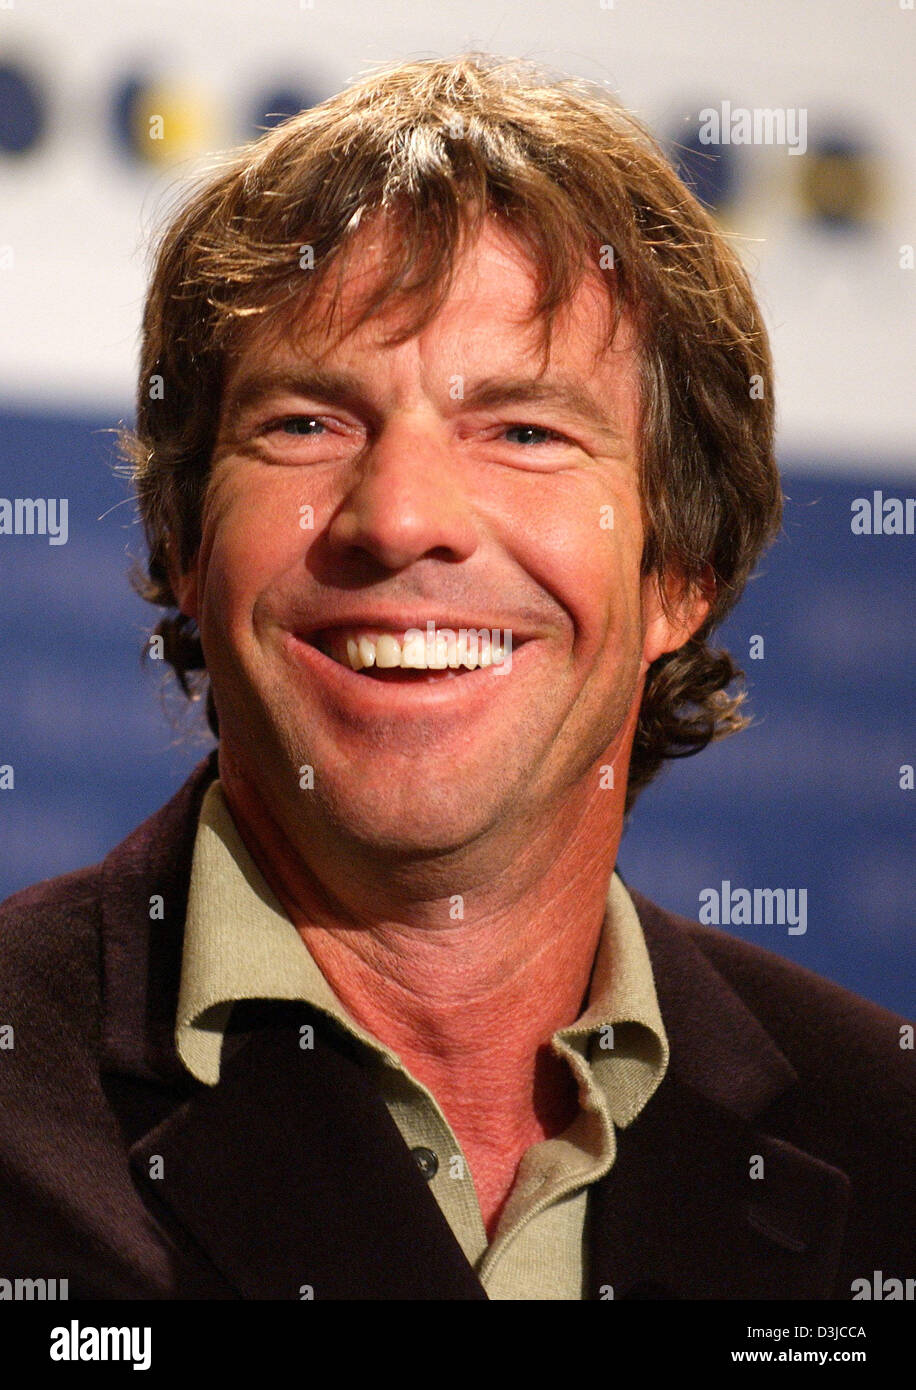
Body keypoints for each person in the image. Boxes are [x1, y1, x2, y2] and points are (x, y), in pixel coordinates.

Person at [1, 52, 912, 1302]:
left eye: (524, 431)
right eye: (306, 422)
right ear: (181, 541)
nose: (401, 516)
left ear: (679, 573)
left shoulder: (890, 1137)